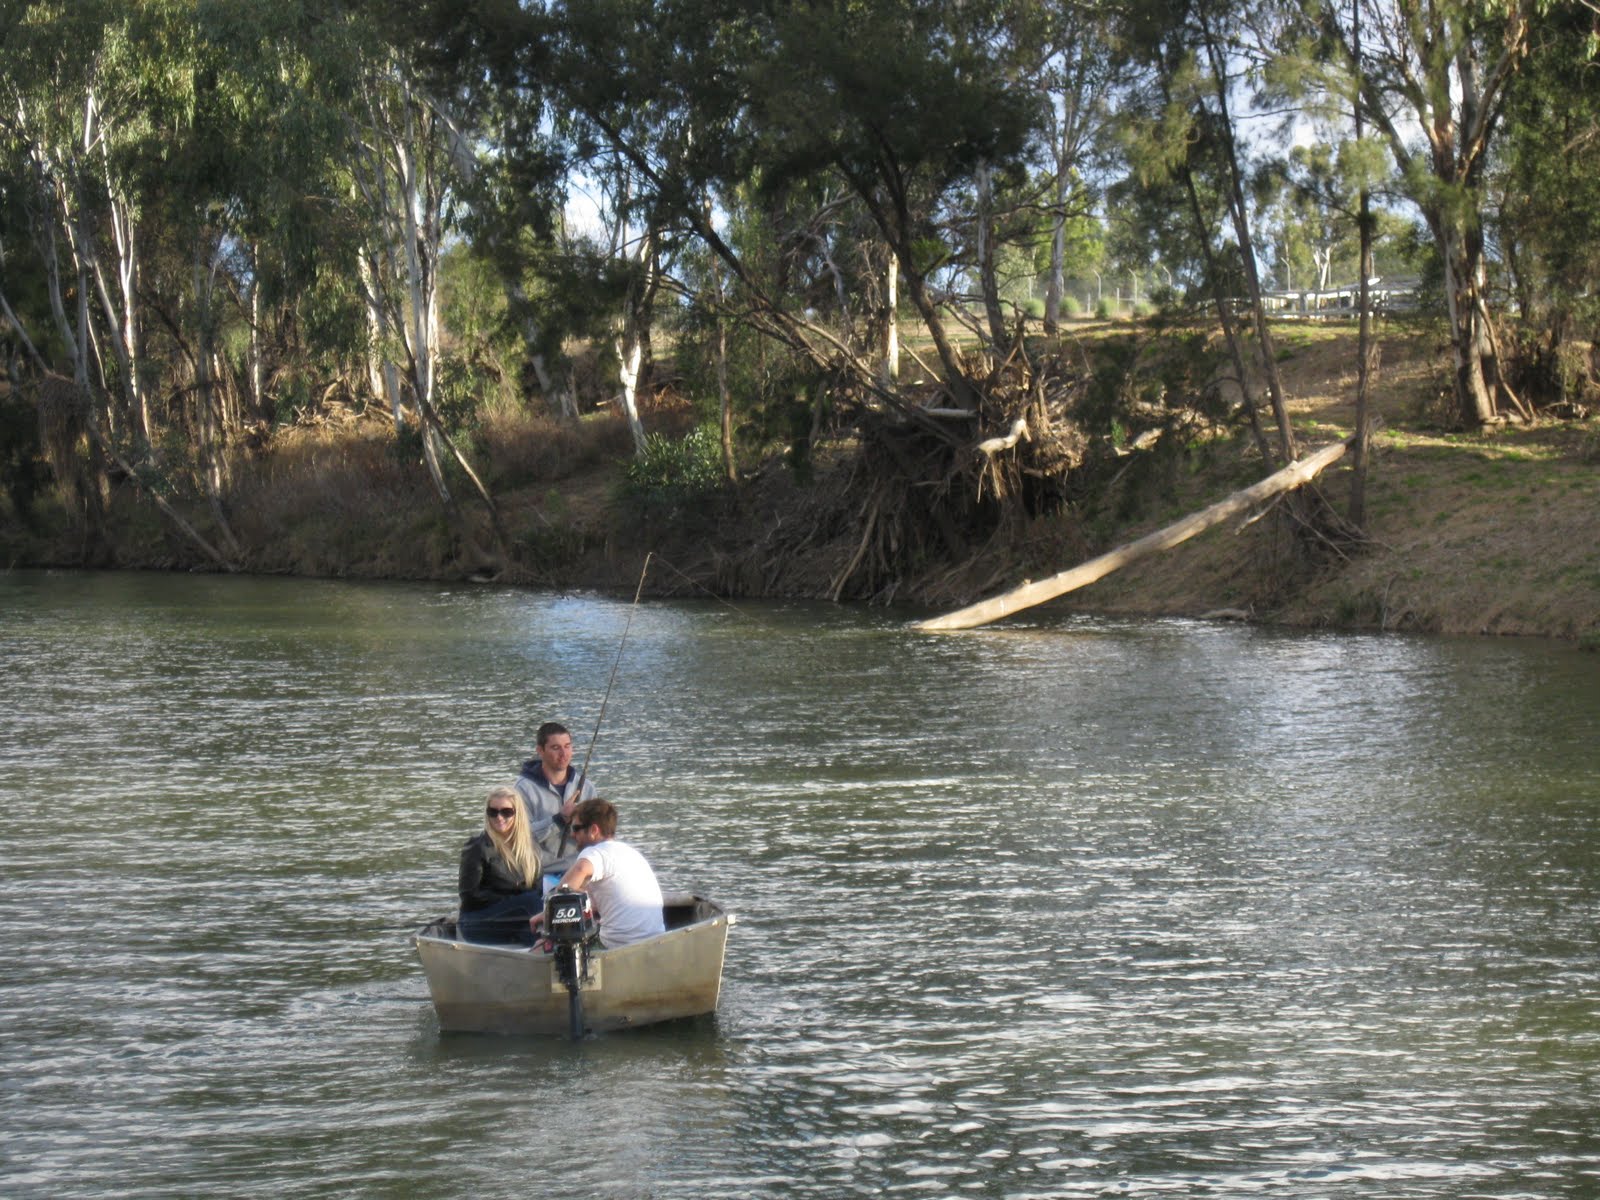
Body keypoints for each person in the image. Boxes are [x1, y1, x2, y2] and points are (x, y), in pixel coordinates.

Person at [543, 797, 664, 949]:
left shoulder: (595, 852)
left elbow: (578, 873)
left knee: (547, 946)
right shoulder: (629, 852)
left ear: (594, 830)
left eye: (576, 829)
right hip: (656, 942)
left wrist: (548, 913)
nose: (572, 835)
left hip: (620, 946)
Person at [457, 786, 544, 946]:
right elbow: (469, 895)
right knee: (530, 901)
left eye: (506, 812)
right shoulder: (477, 847)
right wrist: (514, 900)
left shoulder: (531, 845)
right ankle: (543, 943)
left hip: (518, 918)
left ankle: (545, 948)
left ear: (517, 814)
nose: (499, 817)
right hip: (478, 920)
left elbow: (538, 887)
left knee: (547, 904)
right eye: (493, 812)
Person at [513, 722, 597, 878]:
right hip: (540, 872)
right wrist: (559, 819)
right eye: (556, 748)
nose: (564, 753)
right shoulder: (522, 789)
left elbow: (598, 836)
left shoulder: (587, 787)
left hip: (580, 870)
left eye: (567, 746)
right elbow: (520, 838)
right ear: (540, 751)